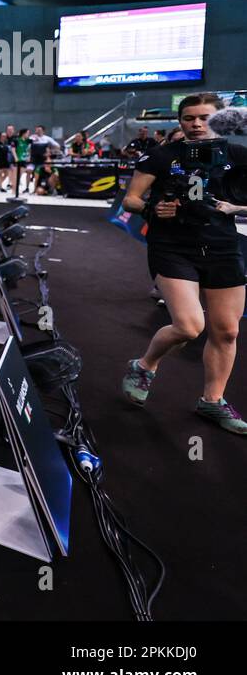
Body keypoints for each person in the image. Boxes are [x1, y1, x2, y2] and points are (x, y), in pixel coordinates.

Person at [120, 92, 247, 434]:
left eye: (205, 117)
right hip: (173, 246)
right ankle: (145, 364)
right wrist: (150, 208)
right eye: (189, 118)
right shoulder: (162, 156)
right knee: (190, 327)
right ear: (180, 122)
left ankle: (211, 401)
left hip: (222, 246)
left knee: (228, 330)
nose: (196, 124)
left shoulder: (237, 155)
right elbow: (131, 199)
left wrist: (234, 208)